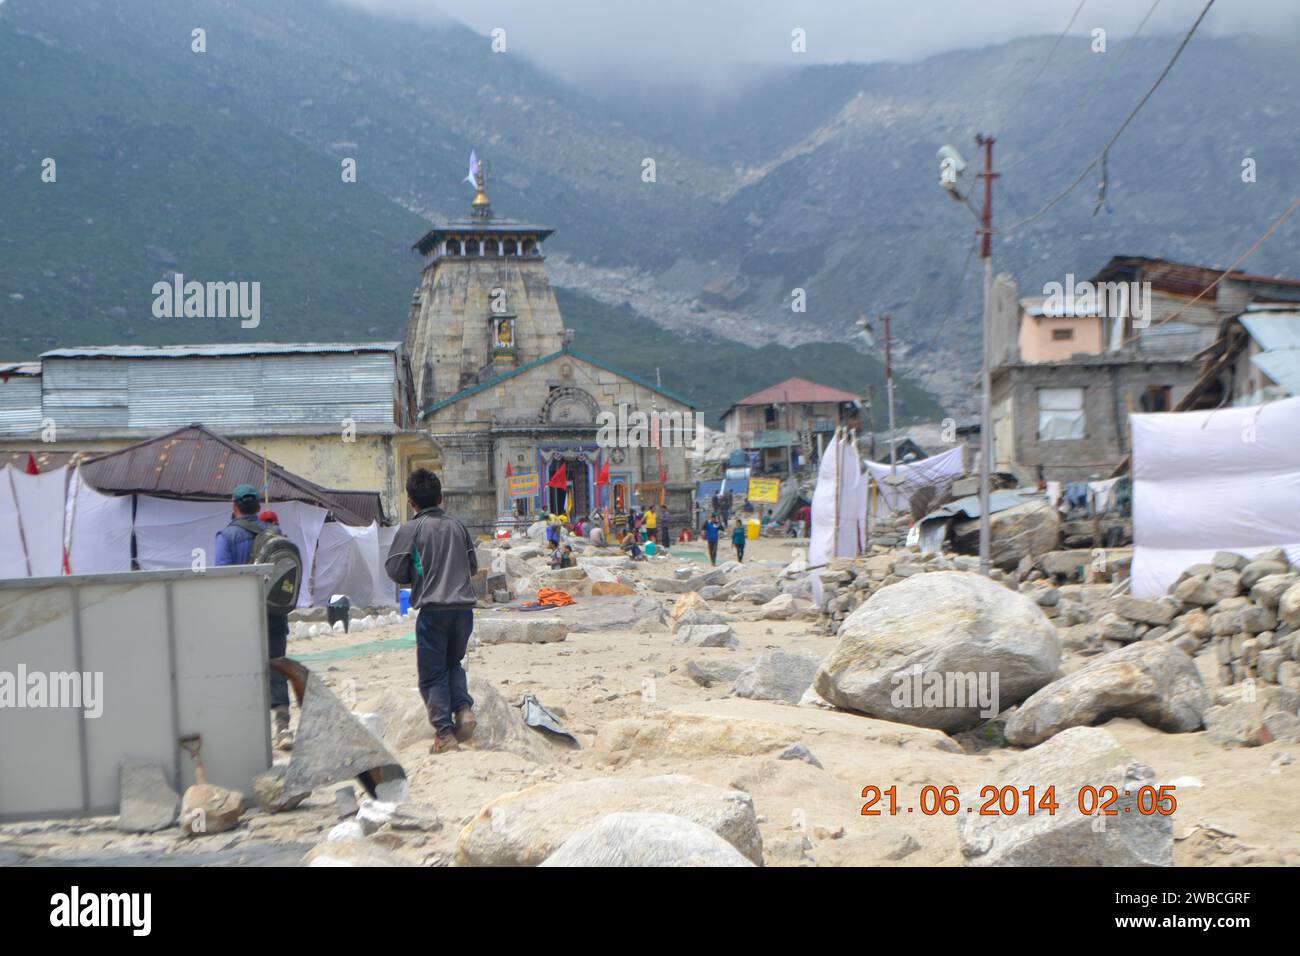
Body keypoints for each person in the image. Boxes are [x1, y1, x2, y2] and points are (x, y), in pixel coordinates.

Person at [384, 469, 479, 755]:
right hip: (463, 610)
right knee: (454, 663)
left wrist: (419, 573)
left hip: (433, 610)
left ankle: (444, 733)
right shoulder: (458, 526)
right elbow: (472, 566)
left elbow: (395, 570)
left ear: (412, 502)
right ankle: (463, 709)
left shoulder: (411, 529)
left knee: (432, 673)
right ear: (440, 497)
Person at [215, 484, 294, 751]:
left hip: (242, 613)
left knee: (241, 670)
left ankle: (245, 734)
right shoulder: (276, 534)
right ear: (258, 508)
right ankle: (283, 728)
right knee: (277, 667)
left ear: (234, 506)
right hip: (274, 612)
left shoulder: (226, 536)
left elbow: (223, 578)